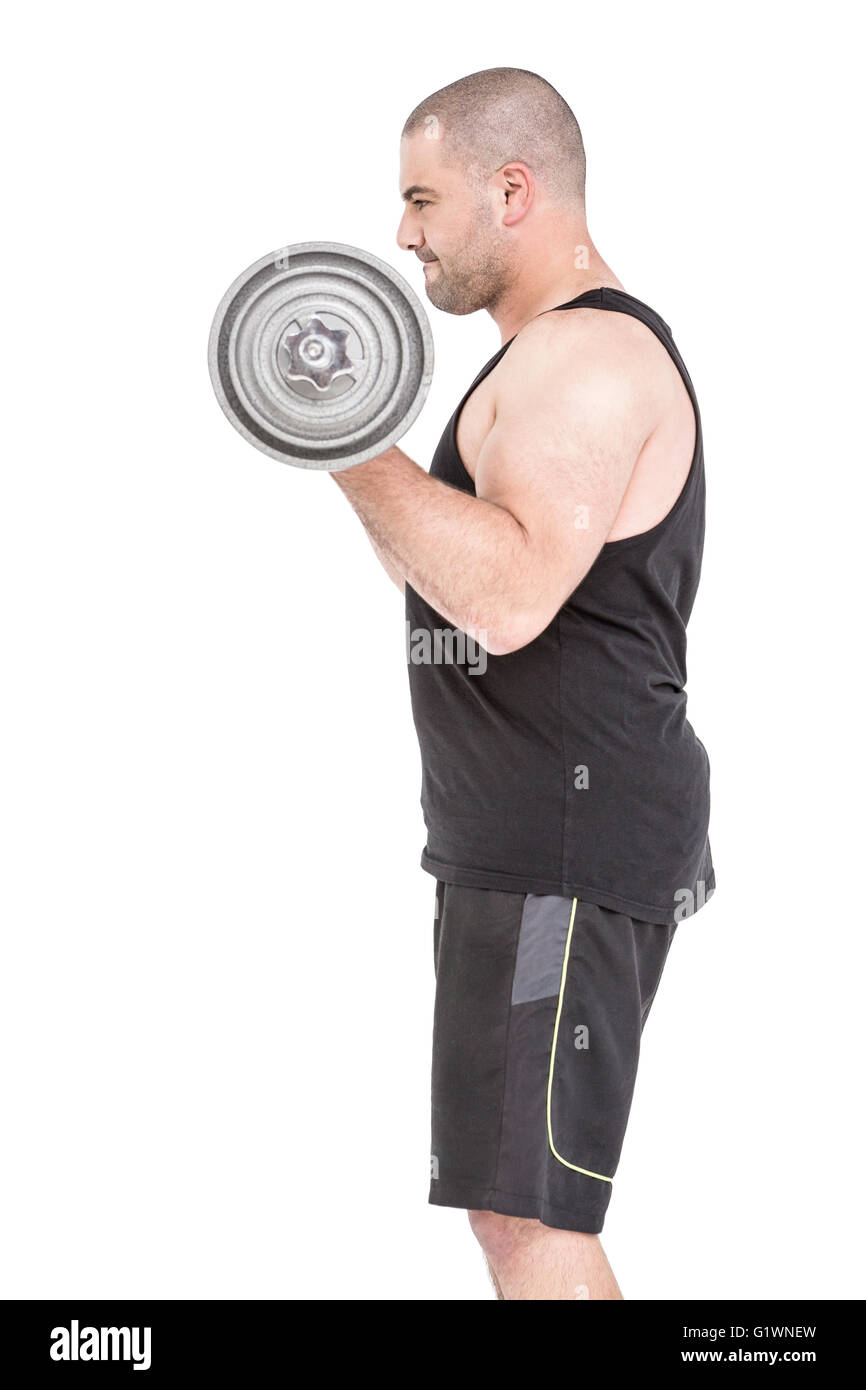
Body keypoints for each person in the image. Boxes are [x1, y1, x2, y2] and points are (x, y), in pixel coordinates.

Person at [331, 66, 715, 1301]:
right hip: (520, 841)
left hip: (567, 840)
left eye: (421, 198)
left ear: (511, 190)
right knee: (510, 1207)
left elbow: (504, 594)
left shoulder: (586, 361)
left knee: (528, 1215)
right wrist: (349, 442)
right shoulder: (528, 364)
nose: (403, 235)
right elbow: (434, 569)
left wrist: (339, 432)